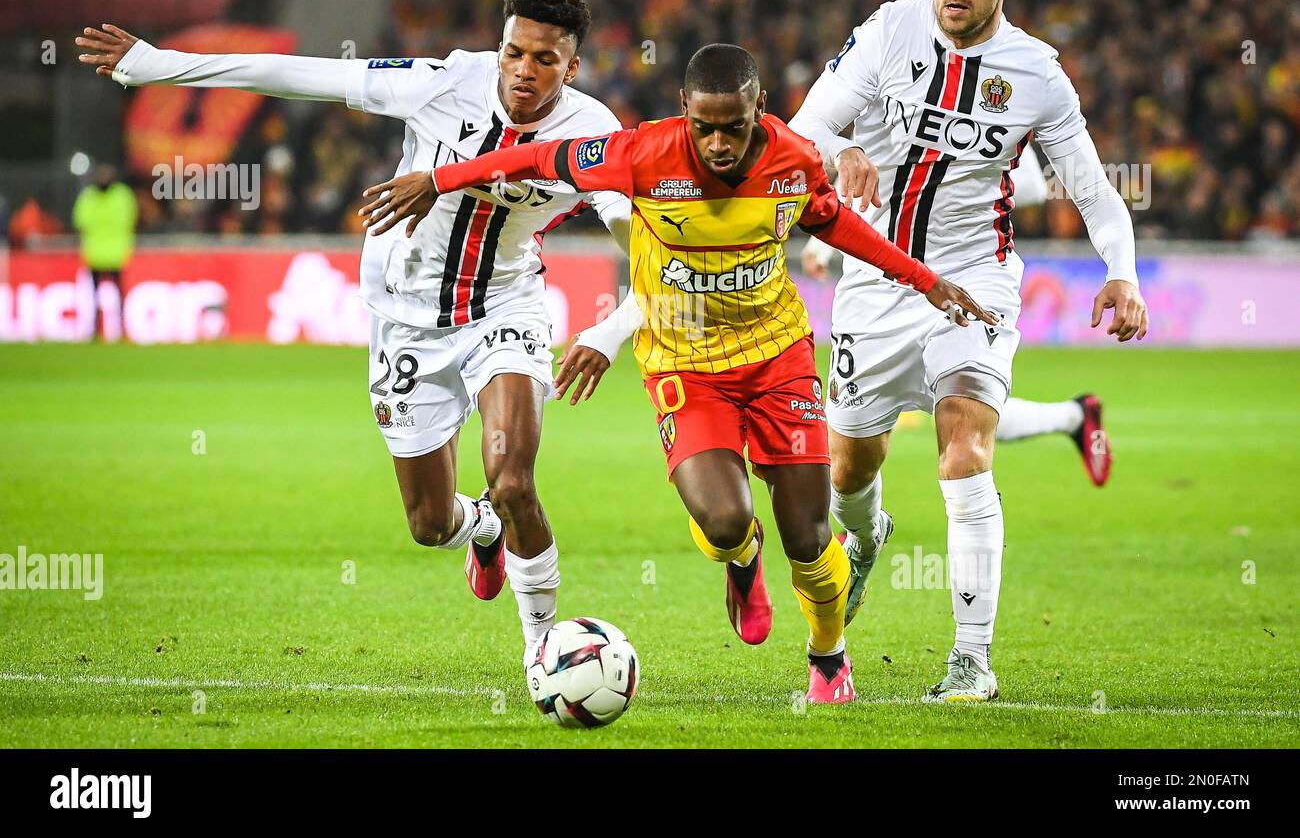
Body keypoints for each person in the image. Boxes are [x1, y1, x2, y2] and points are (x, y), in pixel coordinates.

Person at [360, 43, 997, 703]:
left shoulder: (792, 162)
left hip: (776, 356)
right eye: (705, 127)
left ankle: (829, 654)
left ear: (760, 111)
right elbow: (532, 156)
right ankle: (741, 557)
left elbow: (834, 224)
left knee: (807, 535)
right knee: (725, 521)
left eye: (735, 126)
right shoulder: (640, 154)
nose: (719, 143)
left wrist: (926, 281)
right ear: (683, 112)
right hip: (685, 365)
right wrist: (439, 180)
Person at [77, 0, 632, 664]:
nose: (523, 70)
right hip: (405, 315)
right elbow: (304, 74)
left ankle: (542, 652)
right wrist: (160, 64)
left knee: (513, 477)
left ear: (571, 68)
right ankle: (480, 528)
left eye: (544, 60)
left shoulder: (594, 134)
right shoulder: (445, 83)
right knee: (430, 525)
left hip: (504, 306)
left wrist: (616, 317)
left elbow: (640, 239)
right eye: (513, 53)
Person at [788, 0, 1148, 702]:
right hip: (874, 283)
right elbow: (799, 127)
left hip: (972, 284)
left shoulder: (1038, 75)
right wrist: (842, 148)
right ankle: (867, 534)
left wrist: (1121, 273)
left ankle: (970, 660)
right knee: (850, 467)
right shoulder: (888, 31)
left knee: (965, 447)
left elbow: (1093, 189)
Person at [801, 221, 1112, 488]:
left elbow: (1030, 184)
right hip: (887, 292)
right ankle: (1073, 416)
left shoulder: (1006, 150)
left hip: (960, 284)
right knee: (853, 453)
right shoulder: (869, 154)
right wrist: (823, 242)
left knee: (965, 418)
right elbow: (869, 186)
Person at [71, 164, 136, 341]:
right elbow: (129, 219)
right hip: (109, 252)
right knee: (110, 294)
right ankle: (113, 330)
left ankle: (98, 330)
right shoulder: (122, 196)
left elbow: (80, 221)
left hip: (101, 252)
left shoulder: (89, 197)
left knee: (97, 295)